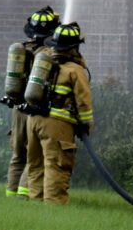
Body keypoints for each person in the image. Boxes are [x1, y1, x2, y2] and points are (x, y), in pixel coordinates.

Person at [22, 20, 93, 205]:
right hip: (57, 125)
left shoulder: (43, 62)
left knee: (36, 167)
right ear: (74, 46)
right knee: (56, 167)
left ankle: (35, 206)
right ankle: (54, 210)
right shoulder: (75, 71)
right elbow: (84, 104)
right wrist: (86, 127)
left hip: (33, 121)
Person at [3, 6, 58, 198]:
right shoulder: (49, 55)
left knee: (18, 154)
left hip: (17, 108)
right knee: (33, 157)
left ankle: (10, 195)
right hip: (35, 111)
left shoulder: (21, 49)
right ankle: (23, 196)